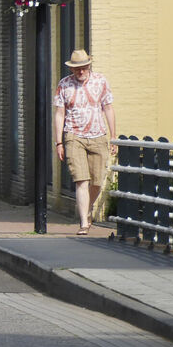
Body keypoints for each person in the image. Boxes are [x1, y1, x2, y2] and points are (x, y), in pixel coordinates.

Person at [53, 49, 118, 235]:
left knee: (97, 181)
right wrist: (59, 142)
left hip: (98, 135)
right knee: (81, 179)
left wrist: (113, 137)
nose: (80, 72)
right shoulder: (64, 85)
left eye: (83, 68)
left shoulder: (101, 81)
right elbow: (59, 114)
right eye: (76, 69)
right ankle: (83, 222)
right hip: (74, 136)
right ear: (71, 69)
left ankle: (87, 209)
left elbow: (108, 108)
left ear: (89, 65)